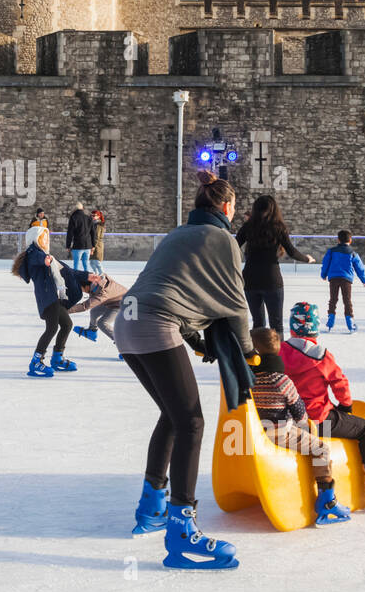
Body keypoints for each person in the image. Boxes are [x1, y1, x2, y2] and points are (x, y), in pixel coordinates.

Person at [113, 170, 251, 570]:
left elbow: (172, 287)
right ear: (227, 207)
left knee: (173, 416)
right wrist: (246, 352)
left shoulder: (176, 234)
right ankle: (181, 532)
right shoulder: (224, 239)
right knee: (191, 421)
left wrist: (196, 343)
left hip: (127, 322)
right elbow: (235, 300)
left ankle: (152, 508)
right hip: (155, 323)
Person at [280, 302, 365, 512]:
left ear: (292, 326)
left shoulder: (280, 351)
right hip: (320, 420)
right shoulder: (321, 355)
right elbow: (340, 383)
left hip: (290, 423)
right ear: (315, 326)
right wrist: (345, 406)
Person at [250, 327, 349, 525]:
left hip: (255, 432)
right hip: (280, 432)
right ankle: (326, 499)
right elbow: (298, 410)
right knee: (321, 449)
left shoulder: (250, 380)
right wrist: (306, 426)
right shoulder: (281, 380)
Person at [12, 224, 89, 375]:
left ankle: (57, 358)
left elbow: (68, 270)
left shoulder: (44, 255)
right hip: (47, 299)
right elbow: (37, 259)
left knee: (67, 324)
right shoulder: (33, 252)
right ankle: (36, 361)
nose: (46, 241)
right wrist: (45, 260)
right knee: (52, 328)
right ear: (35, 239)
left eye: (47, 238)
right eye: (43, 238)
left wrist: (86, 276)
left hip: (54, 298)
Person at [234, 195, 313, 337]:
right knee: (276, 326)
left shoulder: (248, 226)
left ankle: (257, 357)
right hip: (272, 279)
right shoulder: (278, 228)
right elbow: (292, 252)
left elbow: (233, 246)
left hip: (250, 279)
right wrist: (306, 259)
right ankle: (278, 357)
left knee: (257, 323)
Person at [319, 230, 365, 333]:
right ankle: (350, 322)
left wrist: (324, 274)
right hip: (346, 279)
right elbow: (359, 267)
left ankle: (330, 321)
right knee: (347, 300)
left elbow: (325, 263)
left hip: (334, 278)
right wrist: (364, 279)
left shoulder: (331, 251)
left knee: (333, 299)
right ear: (350, 240)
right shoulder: (353, 253)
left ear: (338, 240)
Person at [69, 272, 127, 345]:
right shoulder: (97, 281)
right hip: (113, 299)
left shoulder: (102, 293)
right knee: (94, 311)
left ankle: (125, 346)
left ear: (87, 286)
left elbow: (85, 306)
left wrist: (65, 310)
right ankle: (92, 332)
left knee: (103, 323)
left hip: (122, 305)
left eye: (82, 289)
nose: (82, 291)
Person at [65, 202, 94, 273]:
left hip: (78, 245)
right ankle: (87, 281)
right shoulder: (89, 218)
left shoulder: (73, 218)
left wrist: (68, 245)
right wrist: (93, 245)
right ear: (82, 208)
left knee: (76, 266)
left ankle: (76, 281)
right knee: (86, 265)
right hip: (88, 245)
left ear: (75, 209)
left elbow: (70, 233)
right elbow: (93, 233)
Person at [89, 209, 106, 275]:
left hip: (97, 245)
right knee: (92, 262)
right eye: (91, 215)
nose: (92, 217)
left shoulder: (98, 225)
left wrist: (93, 247)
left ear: (98, 216)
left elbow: (96, 236)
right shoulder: (93, 224)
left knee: (97, 262)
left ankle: (102, 274)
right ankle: (96, 274)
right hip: (93, 244)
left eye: (94, 215)